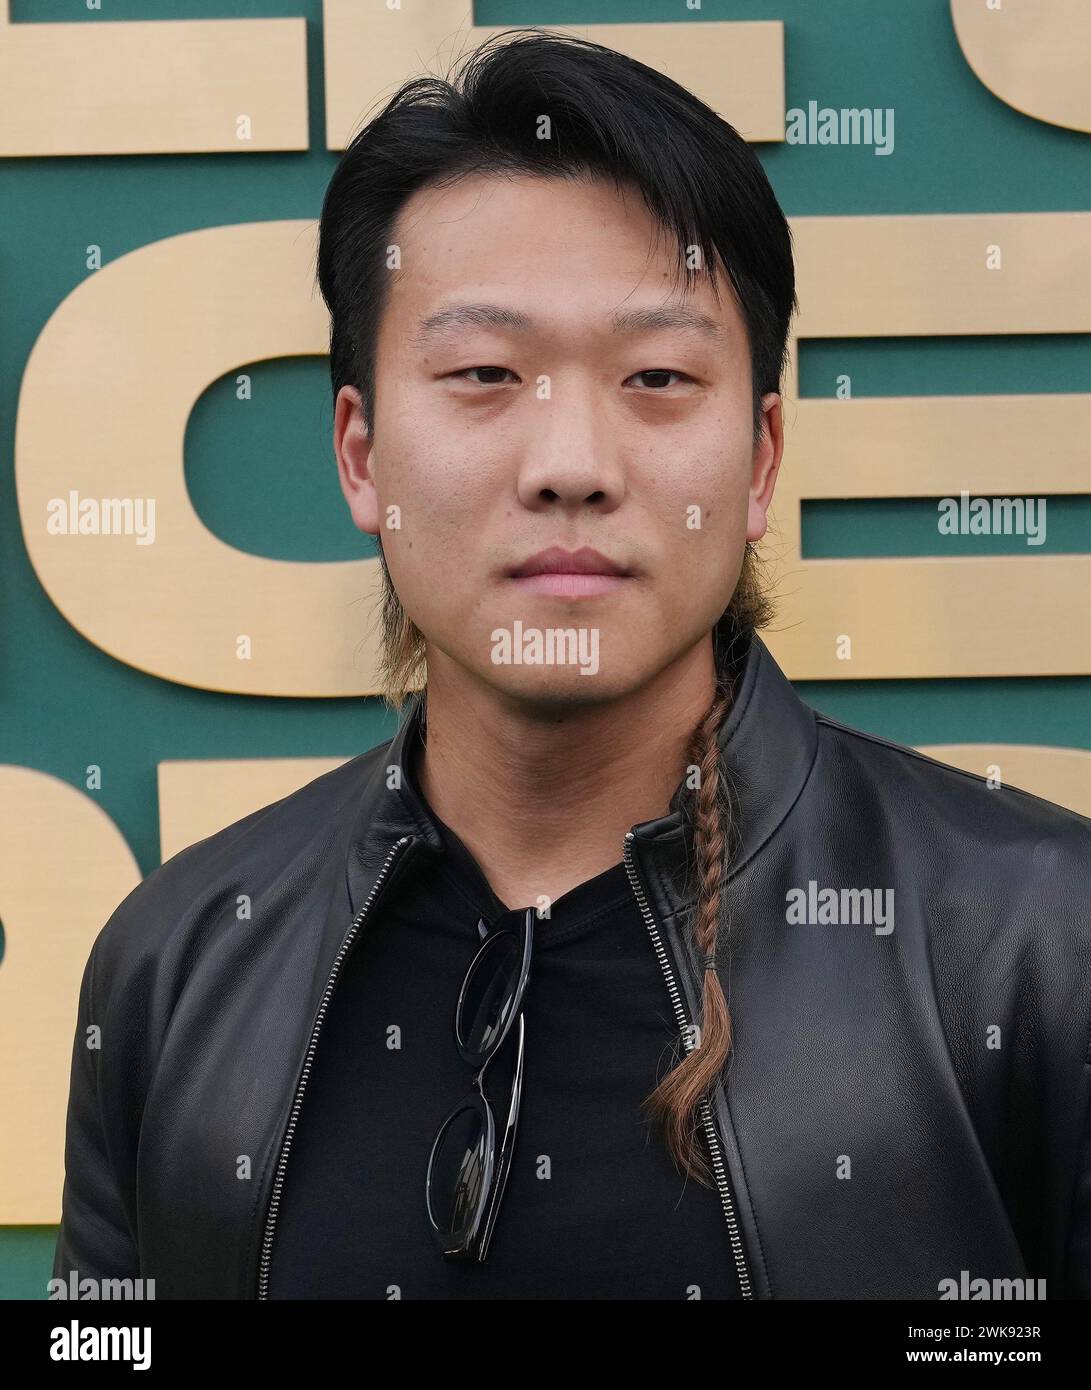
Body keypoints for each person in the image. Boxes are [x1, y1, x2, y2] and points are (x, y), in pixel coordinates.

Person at [53, 28, 1090, 1300]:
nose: (569, 462)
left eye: (657, 375)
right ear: (360, 454)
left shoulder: (1037, 944)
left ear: (760, 460)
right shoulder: (177, 965)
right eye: (483, 374)